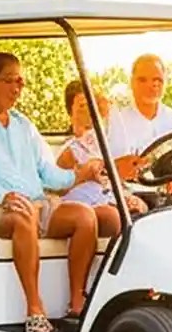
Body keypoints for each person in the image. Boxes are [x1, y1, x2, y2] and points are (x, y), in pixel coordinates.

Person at [0, 52, 104, 332]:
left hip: (34, 203)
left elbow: (48, 173)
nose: (16, 88)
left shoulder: (23, 125)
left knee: (84, 216)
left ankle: (77, 303)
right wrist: (6, 196)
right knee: (24, 215)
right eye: (8, 81)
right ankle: (35, 308)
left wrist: (81, 174)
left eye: (20, 82)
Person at [56, 80, 149, 239]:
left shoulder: (105, 145)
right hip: (88, 208)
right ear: (70, 112)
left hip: (115, 200)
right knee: (114, 216)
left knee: (154, 207)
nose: (89, 111)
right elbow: (59, 188)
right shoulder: (67, 150)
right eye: (82, 105)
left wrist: (133, 201)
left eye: (92, 105)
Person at [107, 54, 172, 200]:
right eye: (142, 80)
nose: (151, 85)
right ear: (132, 82)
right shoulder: (117, 122)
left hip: (168, 193)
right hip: (130, 195)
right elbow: (114, 169)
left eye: (157, 80)